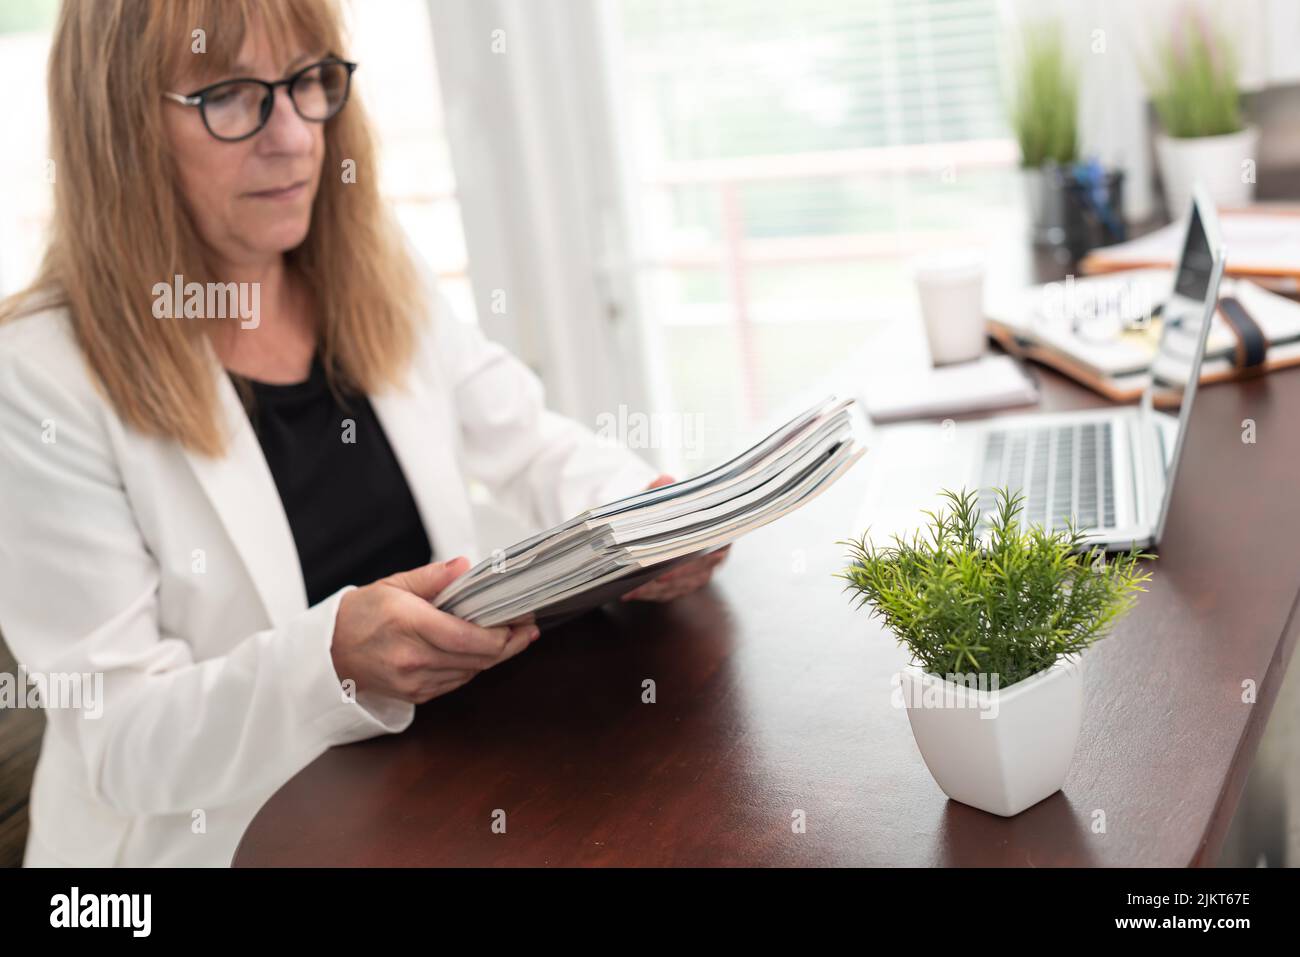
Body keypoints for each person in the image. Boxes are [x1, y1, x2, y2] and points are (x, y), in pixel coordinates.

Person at [0, 0, 726, 867]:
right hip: (225, 841)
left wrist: (641, 517)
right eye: (231, 94)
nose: (296, 137)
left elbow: (529, 440)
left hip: (431, 789)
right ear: (116, 125)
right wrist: (332, 662)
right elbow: (125, 741)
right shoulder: (36, 373)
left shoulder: (369, 262)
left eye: (310, 80)